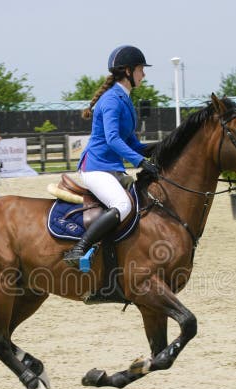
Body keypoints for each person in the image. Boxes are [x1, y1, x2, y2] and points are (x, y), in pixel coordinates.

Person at [62, 44, 157, 266]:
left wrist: (158, 148)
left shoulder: (124, 99)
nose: (144, 74)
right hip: (96, 168)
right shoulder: (112, 100)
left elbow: (132, 142)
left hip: (112, 168)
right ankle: (79, 250)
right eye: (141, 69)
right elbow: (113, 139)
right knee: (123, 205)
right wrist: (140, 161)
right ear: (128, 71)